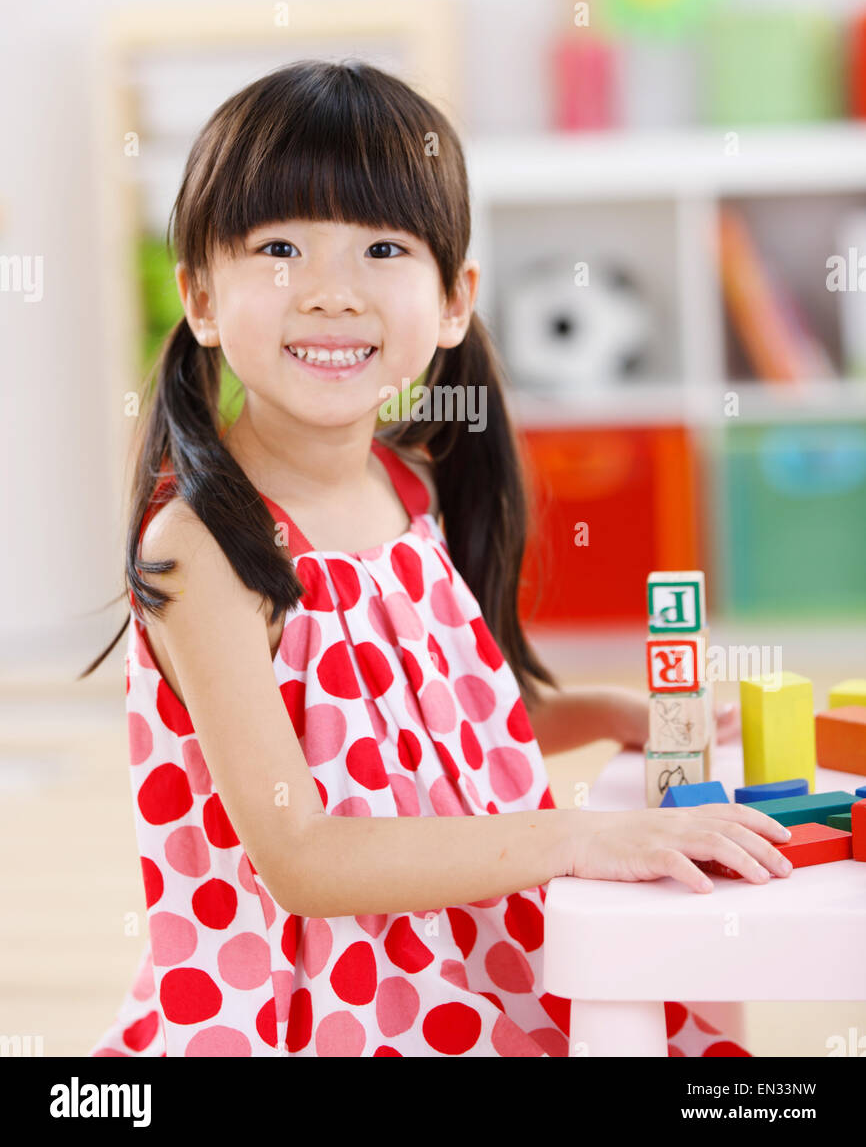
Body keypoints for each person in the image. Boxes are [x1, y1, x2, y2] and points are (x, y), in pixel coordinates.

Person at [83, 59, 792, 1057]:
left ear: (455, 299)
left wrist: (603, 715)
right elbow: (305, 854)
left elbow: (430, 740)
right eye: (279, 247)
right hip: (322, 1012)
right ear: (199, 296)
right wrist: (579, 836)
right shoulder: (201, 549)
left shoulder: (407, 487)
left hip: (473, 960)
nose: (330, 293)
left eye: (381, 247)